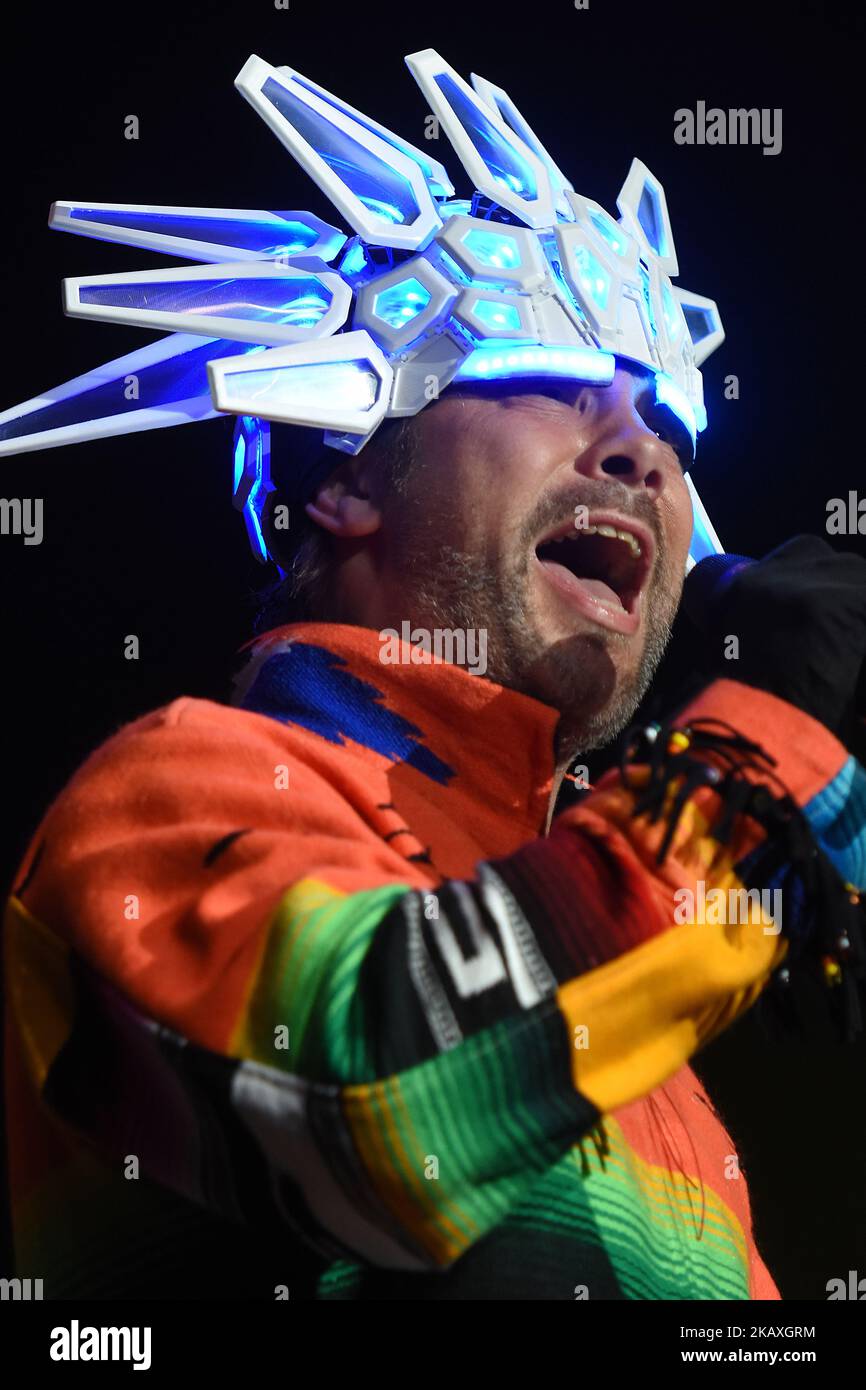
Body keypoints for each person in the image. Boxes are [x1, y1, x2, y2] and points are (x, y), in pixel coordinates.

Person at [2, 48, 865, 1301]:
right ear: (339, 478)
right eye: (540, 381)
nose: (642, 456)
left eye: (669, 425)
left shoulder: (643, 988)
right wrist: (745, 763)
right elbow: (377, 1098)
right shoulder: (174, 796)